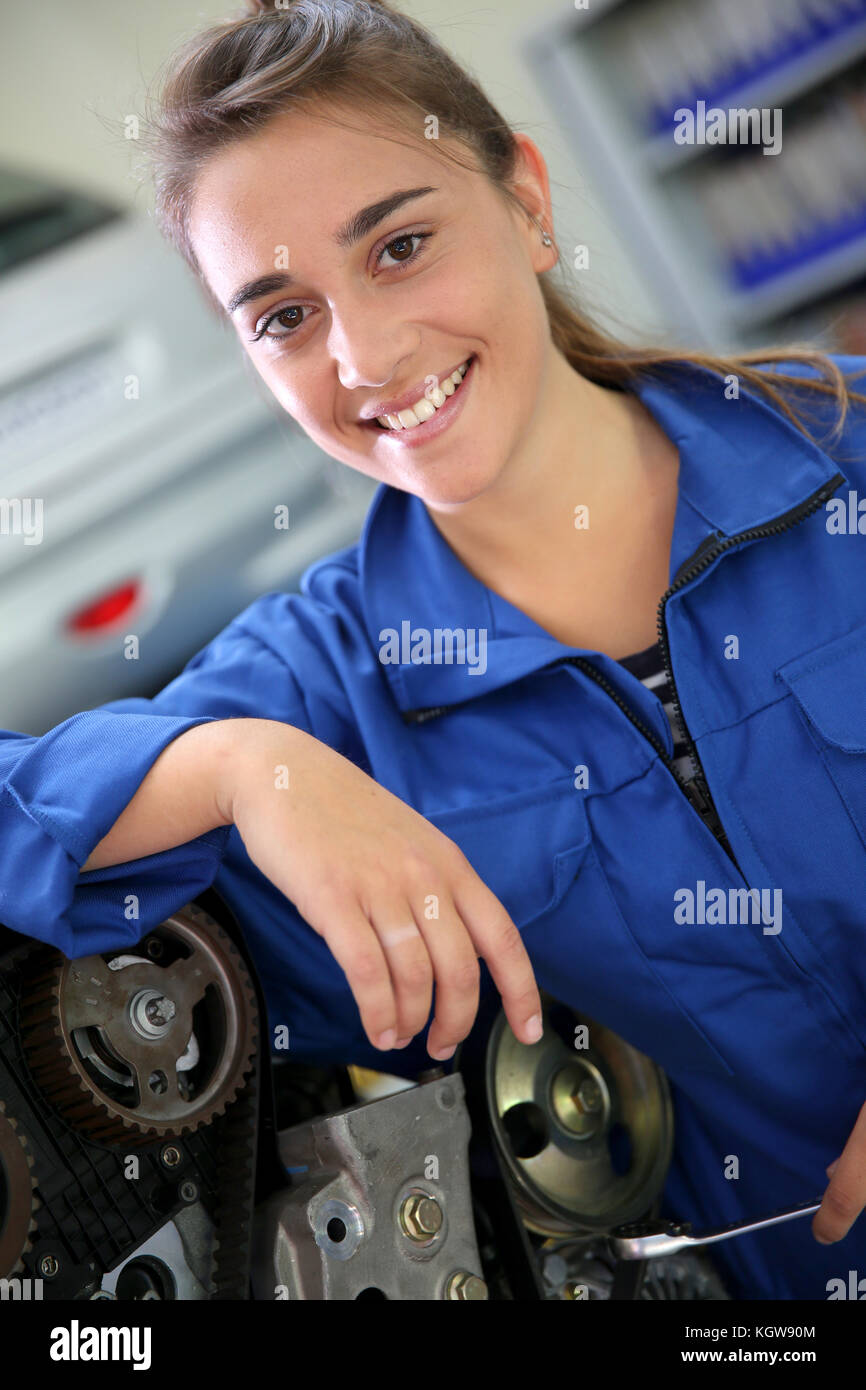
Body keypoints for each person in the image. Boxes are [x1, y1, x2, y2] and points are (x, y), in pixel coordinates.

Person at [2, 0, 866, 1300]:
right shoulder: (318, 682)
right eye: (284, 316)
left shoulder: (838, 452)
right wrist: (245, 768)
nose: (365, 352)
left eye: (399, 245)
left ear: (524, 196)